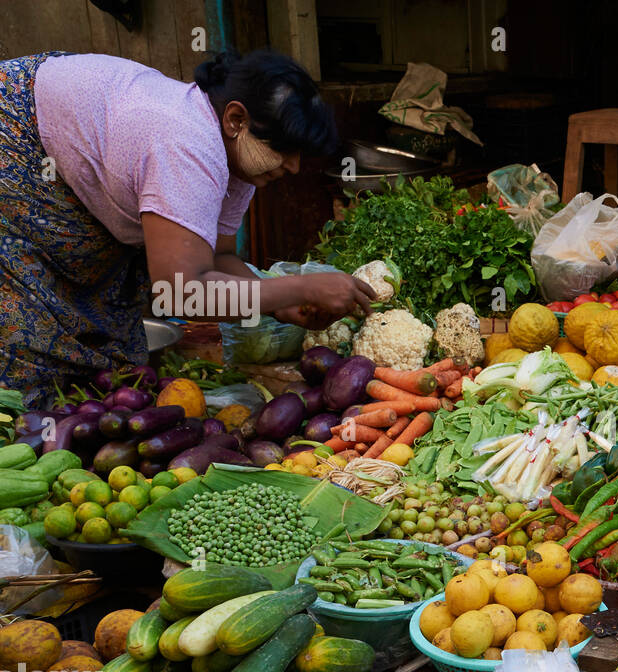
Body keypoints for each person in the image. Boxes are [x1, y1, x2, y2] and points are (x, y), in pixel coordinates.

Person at [0, 48, 374, 407]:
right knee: (31, 334)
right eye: (284, 150)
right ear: (236, 119)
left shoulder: (237, 155)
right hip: (16, 137)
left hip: (59, 137)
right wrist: (300, 287)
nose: (293, 166)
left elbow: (218, 257)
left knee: (108, 358)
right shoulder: (185, 143)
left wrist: (280, 305)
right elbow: (178, 294)